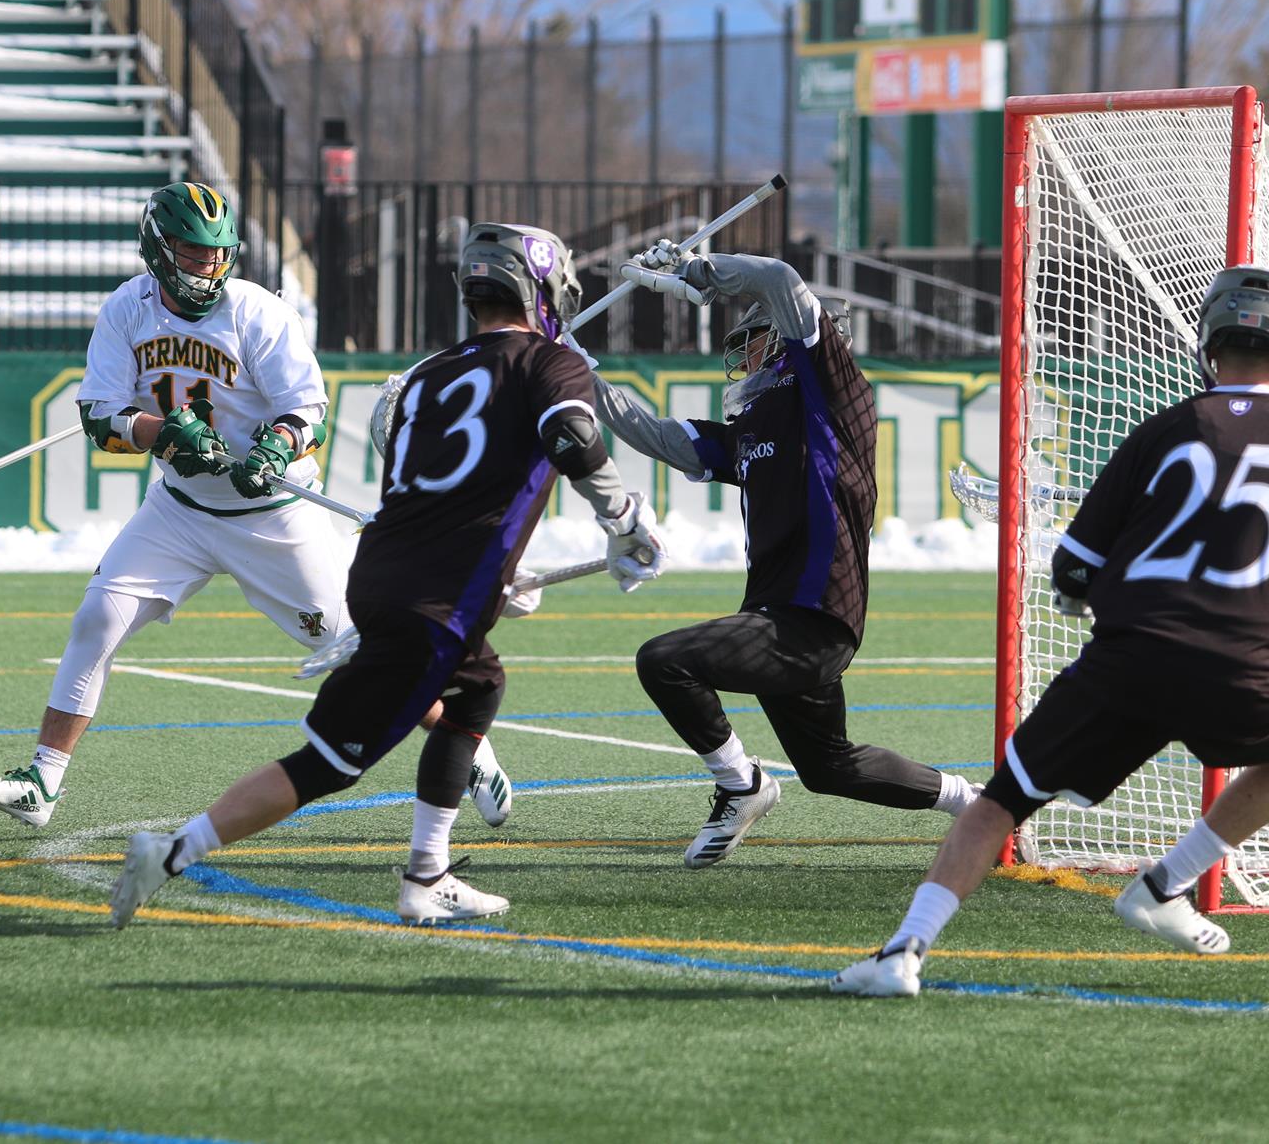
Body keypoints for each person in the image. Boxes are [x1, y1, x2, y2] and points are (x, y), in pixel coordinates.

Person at [108, 222, 661, 927]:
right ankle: (174, 851)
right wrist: (625, 520)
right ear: (539, 286)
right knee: (328, 763)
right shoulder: (549, 363)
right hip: (435, 596)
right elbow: (572, 436)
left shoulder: (430, 374)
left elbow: (439, 491)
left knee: (478, 690)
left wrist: (496, 576)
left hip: (382, 570)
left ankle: (428, 873)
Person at [0, 183, 530, 838]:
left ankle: (474, 751)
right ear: (158, 247)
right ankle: (42, 780)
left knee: (364, 648)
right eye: (193, 252)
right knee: (96, 618)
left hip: (274, 513)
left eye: (216, 252)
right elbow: (99, 415)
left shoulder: (257, 311)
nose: (207, 264)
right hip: (179, 509)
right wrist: (163, 433)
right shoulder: (127, 308)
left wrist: (273, 450)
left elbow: (306, 410)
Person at [833, 266, 1269, 995]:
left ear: (1210, 343)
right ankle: (1167, 882)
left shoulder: (1164, 431)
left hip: (1129, 660)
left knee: (1000, 803)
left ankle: (903, 952)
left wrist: (1081, 595)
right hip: (1244, 666)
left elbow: (1073, 567)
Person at [591, 244, 977, 869]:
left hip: (815, 617)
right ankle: (975, 801)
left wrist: (701, 270)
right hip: (780, 620)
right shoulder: (755, 424)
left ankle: (742, 785)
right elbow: (655, 434)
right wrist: (576, 373)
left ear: (783, 341)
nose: (739, 361)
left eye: (749, 344)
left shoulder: (832, 394)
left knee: (664, 661)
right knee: (831, 767)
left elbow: (778, 278)